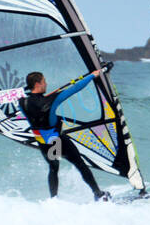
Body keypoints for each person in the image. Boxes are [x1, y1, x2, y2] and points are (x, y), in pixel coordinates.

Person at [21, 67, 111, 201]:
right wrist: (92, 75)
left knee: (53, 168)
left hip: (43, 141)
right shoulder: (51, 100)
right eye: (44, 81)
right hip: (56, 141)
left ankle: (53, 200)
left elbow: (32, 100)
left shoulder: (22, 102)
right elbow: (75, 88)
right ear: (38, 84)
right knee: (80, 164)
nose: (46, 84)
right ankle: (98, 194)